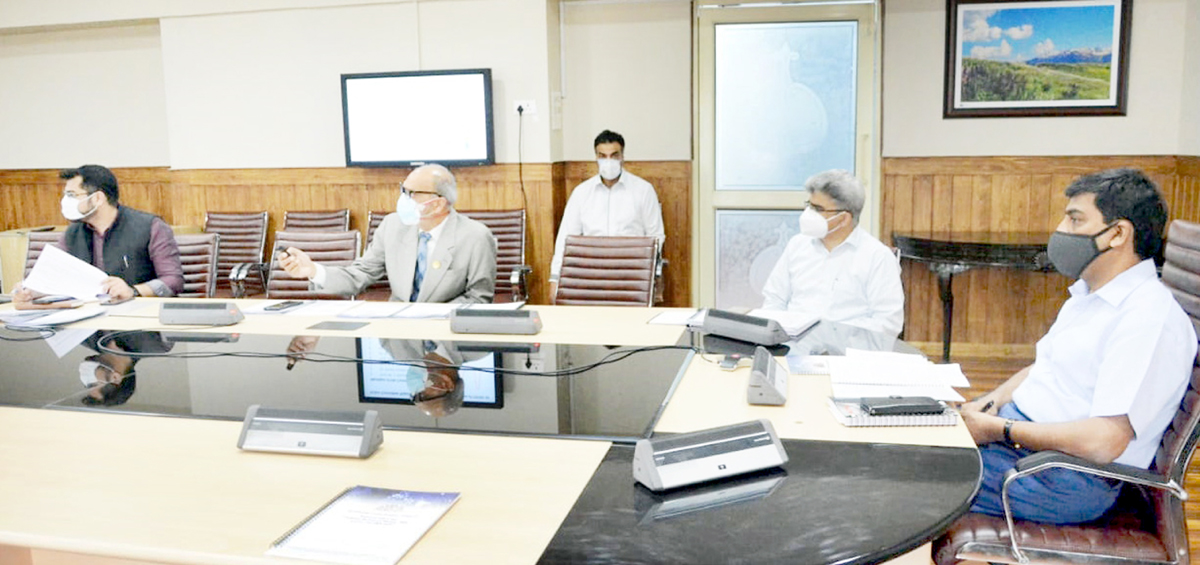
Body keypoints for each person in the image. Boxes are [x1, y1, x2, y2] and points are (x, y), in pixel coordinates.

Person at [960, 168, 1196, 524]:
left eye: (1074, 220)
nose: (1060, 230)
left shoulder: (1149, 319)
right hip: (1025, 447)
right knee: (906, 448)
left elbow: (1103, 441)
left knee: (920, 479)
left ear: (1118, 233)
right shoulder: (1089, 294)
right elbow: (1041, 369)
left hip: (1063, 476)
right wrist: (985, 406)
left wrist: (998, 430)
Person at [279, 164, 496, 304]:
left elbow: (479, 298)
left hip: (447, 337)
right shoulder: (393, 225)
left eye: (411, 194)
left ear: (438, 204)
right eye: (403, 189)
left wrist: (433, 318)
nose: (403, 199)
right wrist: (313, 270)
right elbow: (360, 275)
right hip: (398, 339)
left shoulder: (476, 236)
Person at [759, 170, 904, 337]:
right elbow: (774, 300)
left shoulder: (877, 256)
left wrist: (828, 334)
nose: (808, 214)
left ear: (844, 219)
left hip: (847, 354)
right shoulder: (798, 245)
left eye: (818, 209)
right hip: (791, 347)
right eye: (809, 205)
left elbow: (887, 323)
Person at [14, 165, 184, 305]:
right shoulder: (73, 233)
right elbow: (55, 277)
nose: (65, 201)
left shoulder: (150, 226)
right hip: (89, 324)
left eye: (72, 195)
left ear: (98, 199)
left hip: (141, 322)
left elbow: (173, 281)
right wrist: (31, 291)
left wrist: (133, 291)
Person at [550, 130, 665, 299]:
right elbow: (565, 240)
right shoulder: (581, 193)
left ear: (622, 156)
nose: (608, 161)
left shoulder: (643, 190)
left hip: (631, 274)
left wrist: (649, 274)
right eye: (602, 156)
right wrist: (554, 278)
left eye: (614, 155)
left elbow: (656, 236)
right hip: (590, 273)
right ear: (596, 157)